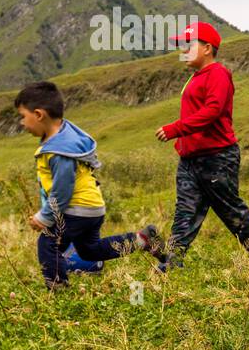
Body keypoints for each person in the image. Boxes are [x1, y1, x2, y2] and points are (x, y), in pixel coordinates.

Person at [15, 81, 164, 288]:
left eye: (23, 116)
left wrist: (44, 217)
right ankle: (141, 240)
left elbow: (63, 190)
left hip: (76, 210)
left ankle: (58, 288)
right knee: (89, 250)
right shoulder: (65, 138)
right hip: (91, 208)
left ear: (39, 115)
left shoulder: (58, 150)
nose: (21, 123)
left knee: (48, 243)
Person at [155, 22, 249, 270]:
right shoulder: (195, 78)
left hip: (217, 157)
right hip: (190, 160)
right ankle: (173, 262)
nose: (182, 51)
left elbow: (212, 111)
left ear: (207, 48)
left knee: (229, 209)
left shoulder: (218, 74)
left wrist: (176, 129)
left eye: (188, 45)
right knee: (185, 210)